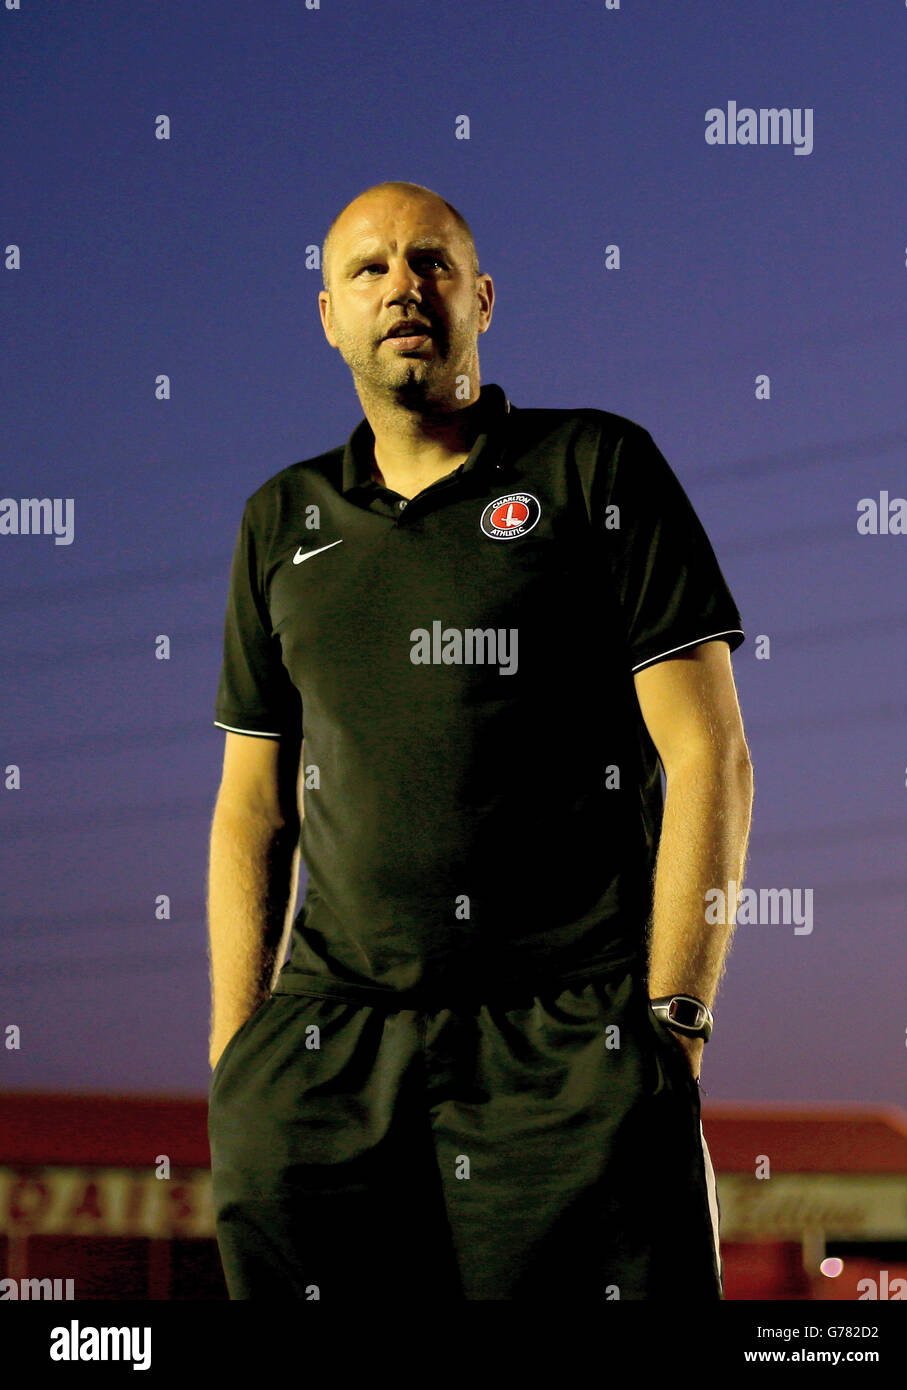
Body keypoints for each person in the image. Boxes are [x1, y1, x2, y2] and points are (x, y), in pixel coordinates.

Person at [206, 179, 754, 1301]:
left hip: (569, 1048)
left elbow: (710, 756)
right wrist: (237, 1056)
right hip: (330, 1053)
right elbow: (250, 808)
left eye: (430, 262)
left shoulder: (595, 469)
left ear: (481, 299)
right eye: (367, 268)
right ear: (327, 315)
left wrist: (672, 1024)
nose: (401, 285)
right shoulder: (281, 518)